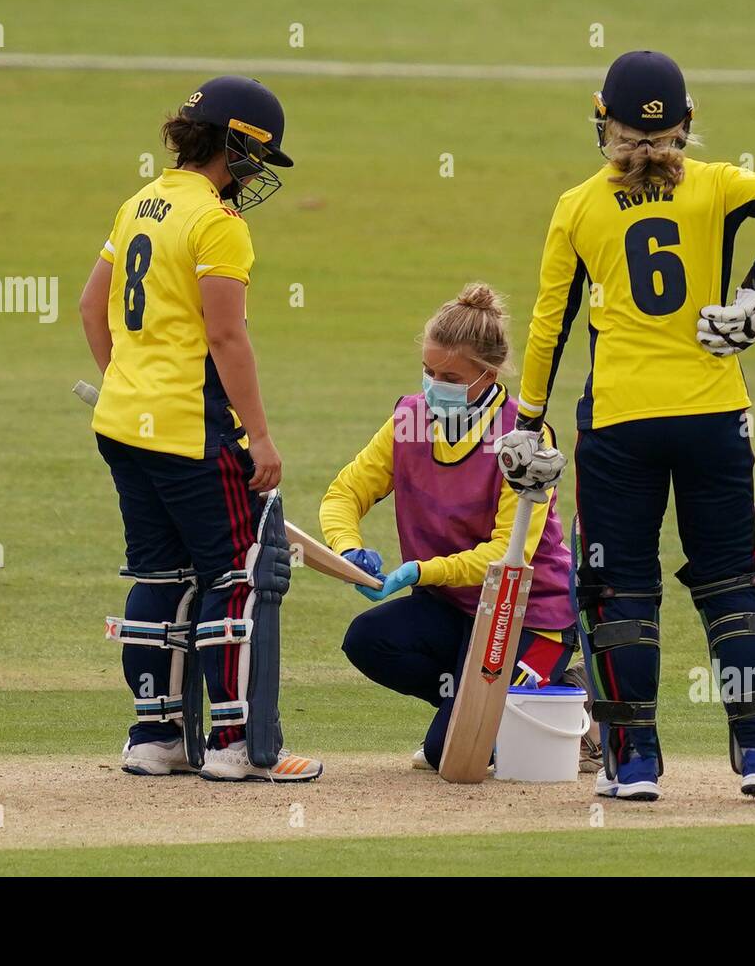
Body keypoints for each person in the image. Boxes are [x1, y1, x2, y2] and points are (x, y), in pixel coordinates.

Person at [498, 50, 755, 800]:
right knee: (737, 578)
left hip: (620, 423)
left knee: (618, 587)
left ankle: (634, 763)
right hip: (713, 414)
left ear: (602, 123)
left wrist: (529, 423)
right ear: (687, 123)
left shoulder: (578, 205)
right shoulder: (714, 183)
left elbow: (549, 325)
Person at [79, 75, 321, 782]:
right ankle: (237, 744)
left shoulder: (139, 203)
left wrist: (128, 381)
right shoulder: (218, 223)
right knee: (238, 574)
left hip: (122, 424)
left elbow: (92, 309)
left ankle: (154, 736)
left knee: (160, 573)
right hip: (191, 431)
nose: (255, 176)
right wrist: (262, 437)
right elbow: (227, 336)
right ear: (236, 147)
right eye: (256, 158)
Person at [320, 283, 577, 771]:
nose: (434, 385)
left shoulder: (524, 438)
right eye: (429, 372)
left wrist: (418, 572)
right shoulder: (408, 420)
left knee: (449, 757)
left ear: (488, 373)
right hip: (453, 610)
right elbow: (343, 494)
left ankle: (571, 692)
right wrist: (348, 550)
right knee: (366, 640)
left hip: (527, 615)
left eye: (450, 376)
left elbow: (506, 556)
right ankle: (466, 703)